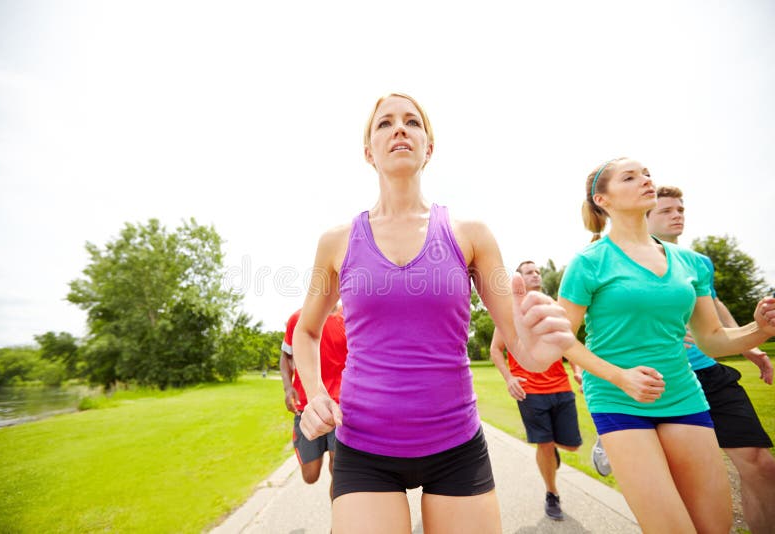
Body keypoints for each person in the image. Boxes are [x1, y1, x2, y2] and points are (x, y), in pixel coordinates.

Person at [292, 93, 576, 534]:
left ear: (429, 146)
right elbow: (306, 333)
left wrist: (537, 351)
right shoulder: (337, 241)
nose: (400, 129)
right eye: (385, 123)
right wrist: (315, 394)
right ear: (369, 152)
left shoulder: (472, 235)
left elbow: (522, 345)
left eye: (412, 122)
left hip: (456, 447)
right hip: (364, 448)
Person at [557, 157, 775, 534]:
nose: (645, 179)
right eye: (630, 177)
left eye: (646, 173)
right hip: (618, 398)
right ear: (602, 200)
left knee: (714, 528)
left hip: (684, 395)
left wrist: (760, 329)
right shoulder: (588, 262)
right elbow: (562, 340)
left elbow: (712, 339)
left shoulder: (690, 263)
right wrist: (621, 377)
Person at [646, 185, 775, 534]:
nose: (678, 215)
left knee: (761, 466)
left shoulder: (697, 263)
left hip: (709, 373)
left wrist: (750, 345)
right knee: (685, 488)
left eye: (680, 209)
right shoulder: (617, 262)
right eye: (667, 210)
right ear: (643, 218)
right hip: (661, 384)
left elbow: (713, 310)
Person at [489, 260, 583, 521]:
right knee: (544, 442)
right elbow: (496, 349)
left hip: (560, 385)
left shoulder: (553, 307)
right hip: (530, 390)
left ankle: (549, 454)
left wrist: (577, 370)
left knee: (572, 446)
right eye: (529, 272)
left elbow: (568, 343)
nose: (536, 275)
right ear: (519, 279)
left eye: (537, 271)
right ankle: (552, 493)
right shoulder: (510, 312)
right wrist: (509, 379)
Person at [279, 304, 347, 495]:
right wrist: (287, 388)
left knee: (339, 472)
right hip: (307, 407)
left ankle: (338, 524)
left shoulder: (350, 317)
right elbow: (285, 356)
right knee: (310, 476)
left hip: (339, 409)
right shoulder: (299, 317)